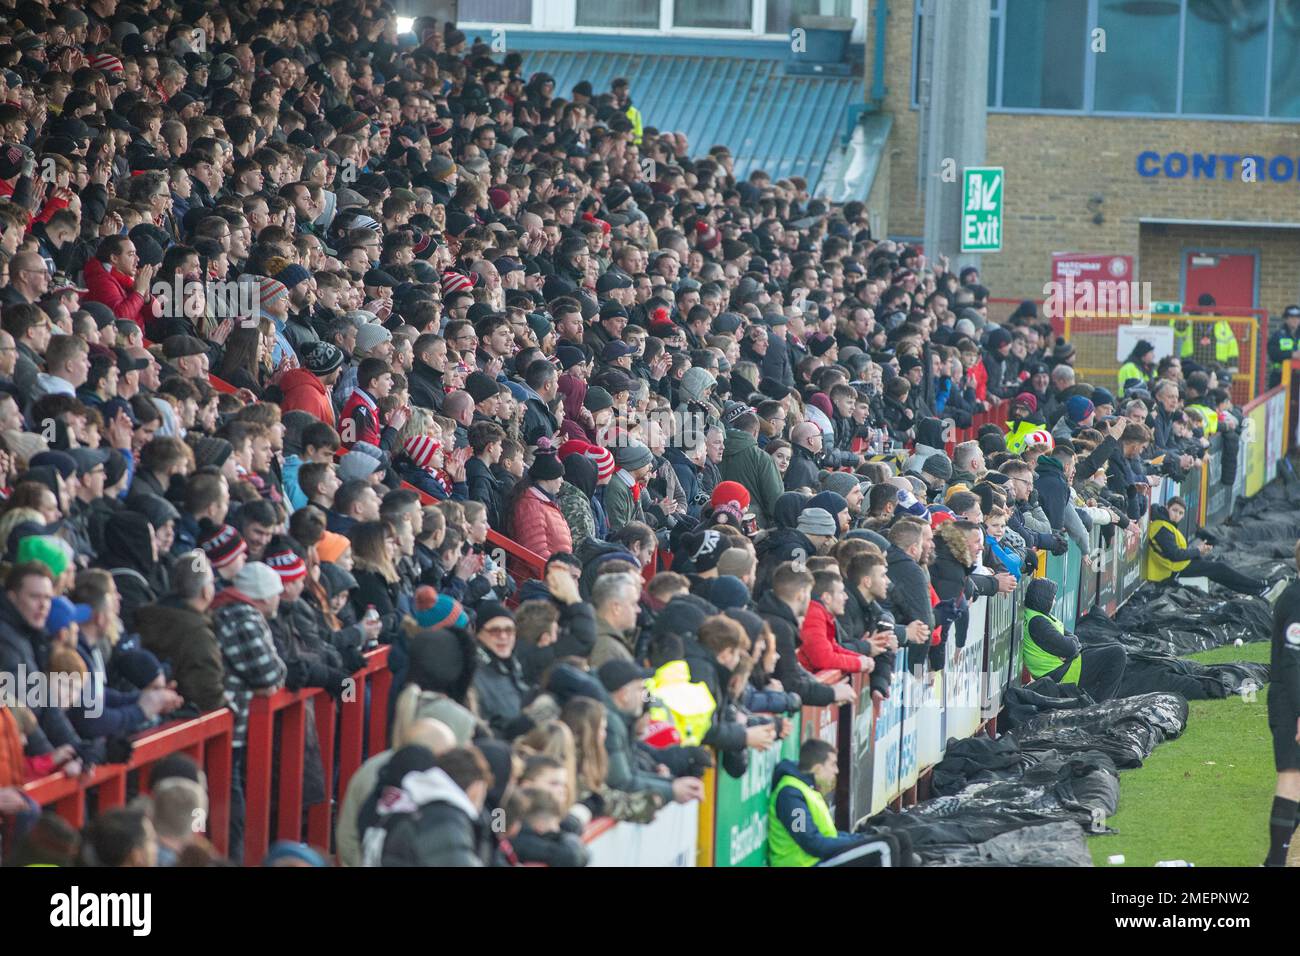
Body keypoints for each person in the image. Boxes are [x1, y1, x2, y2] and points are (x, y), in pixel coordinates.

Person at [769, 739, 884, 866]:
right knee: (885, 845)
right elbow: (810, 842)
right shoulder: (790, 797)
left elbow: (830, 835)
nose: (836, 771)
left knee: (890, 839)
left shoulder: (807, 789)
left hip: (819, 861)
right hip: (806, 865)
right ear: (817, 768)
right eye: (833, 764)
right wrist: (860, 842)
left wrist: (863, 838)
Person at [1021, 578, 1125, 701]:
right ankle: (1101, 706)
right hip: (1062, 673)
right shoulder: (1038, 623)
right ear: (1043, 599)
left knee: (1111, 648)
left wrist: (1072, 648)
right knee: (1118, 653)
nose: (1054, 601)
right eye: (1053, 598)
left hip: (1067, 665)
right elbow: (1070, 648)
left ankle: (1097, 701)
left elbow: (1072, 639)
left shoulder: (1038, 615)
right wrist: (1072, 649)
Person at [1145, 497, 1267, 596]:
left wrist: (1198, 551)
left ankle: (1254, 589)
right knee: (1219, 568)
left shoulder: (1165, 524)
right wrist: (1197, 551)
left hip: (1176, 566)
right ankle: (1256, 586)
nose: (1177, 515)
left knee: (1216, 569)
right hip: (1171, 571)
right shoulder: (1162, 527)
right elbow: (1174, 555)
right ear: (1167, 508)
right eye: (1174, 510)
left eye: (1180, 513)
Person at [1265, 541, 1300, 866]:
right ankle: (1275, 861)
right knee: (1291, 779)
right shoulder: (1295, 599)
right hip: (1291, 704)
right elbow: (1292, 662)